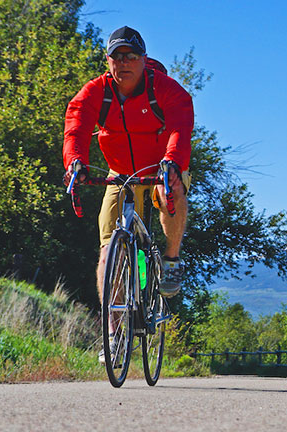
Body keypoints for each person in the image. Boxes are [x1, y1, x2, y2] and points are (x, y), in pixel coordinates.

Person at [61, 26, 193, 361]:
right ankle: (114, 333)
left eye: (131, 56)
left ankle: (171, 259)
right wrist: (75, 162)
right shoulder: (96, 92)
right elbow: (76, 125)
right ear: (107, 61)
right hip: (119, 173)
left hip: (161, 167)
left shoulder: (164, 89)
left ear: (143, 59)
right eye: (117, 56)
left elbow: (180, 124)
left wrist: (173, 163)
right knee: (108, 252)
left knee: (172, 192)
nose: (124, 62)